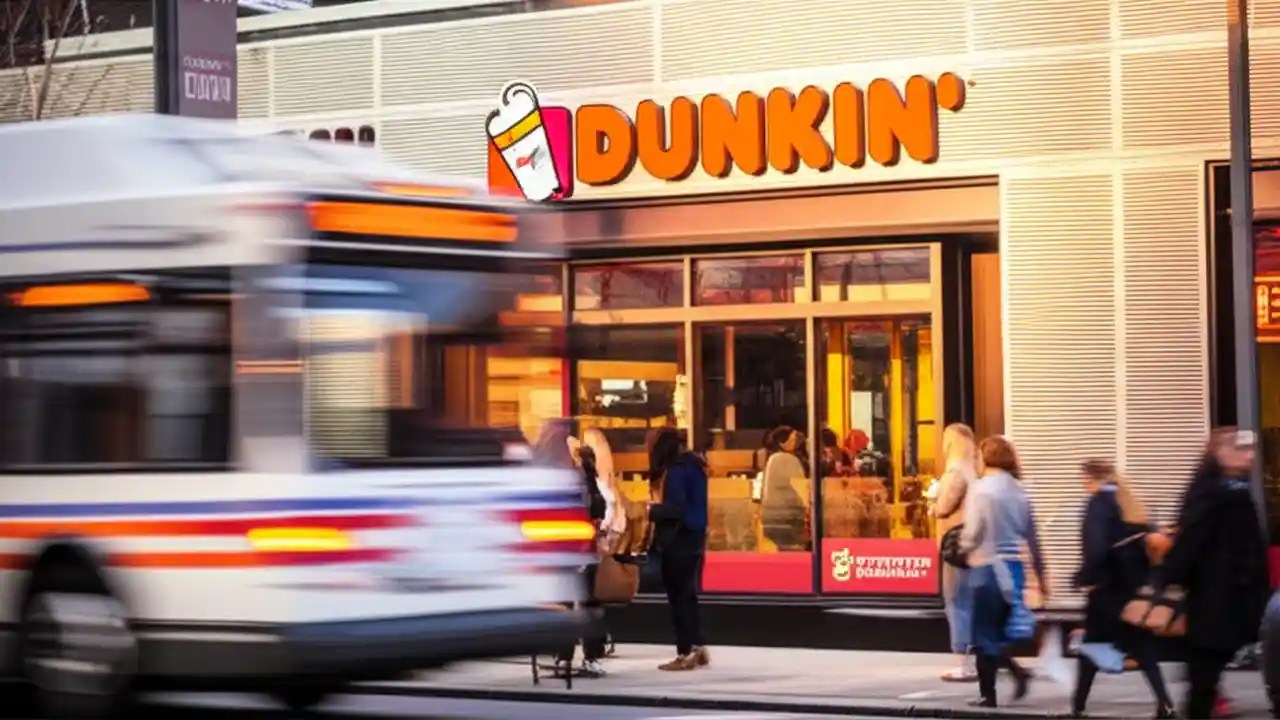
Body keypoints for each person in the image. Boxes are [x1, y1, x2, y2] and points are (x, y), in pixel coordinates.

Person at [1163, 428, 1269, 720]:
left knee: (1205, 677)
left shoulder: (1234, 490)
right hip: (1214, 601)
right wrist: (1166, 580)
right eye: (1243, 449)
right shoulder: (1217, 494)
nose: (1250, 456)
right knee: (1203, 678)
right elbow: (1191, 543)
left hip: (1227, 599)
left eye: (1251, 450)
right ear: (1222, 454)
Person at [1071, 460, 1173, 719]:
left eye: (1084, 478)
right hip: (1132, 590)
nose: (1083, 484)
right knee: (1143, 649)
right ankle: (1166, 705)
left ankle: (1078, 708)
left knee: (1091, 648)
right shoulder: (1130, 503)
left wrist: (1083, 577)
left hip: (1106, 590)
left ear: (1092, 478)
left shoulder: (1098, 505)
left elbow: (1096, 548)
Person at [961, 435, 1046, 708]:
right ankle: (1017, 674)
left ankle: (989, 695)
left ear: (986, 457)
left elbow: (973, 532)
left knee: (983, 633)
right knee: (997, 632)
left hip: (986, 567)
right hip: (1014, 569)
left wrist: (962, 548)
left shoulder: (981, 489)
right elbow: (1032, 537)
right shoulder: (1022, 490)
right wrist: (1041, 574)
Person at [647, 427, 710, 671]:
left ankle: (685, 652)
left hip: (679, 539)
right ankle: (699, 646)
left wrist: (650, 511)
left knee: (679, 598)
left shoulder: (677, 471)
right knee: (689, 595)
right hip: (694, 537)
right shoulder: (695, 466)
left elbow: (675, 509)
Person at [936, 423, 978, 683]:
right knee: (969, 601)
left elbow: (943, 506)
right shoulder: (976, 469)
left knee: (956, 601)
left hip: (955, 544)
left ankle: (963, 662)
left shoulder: (956, 470)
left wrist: (933, 500)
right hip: (972, 541)